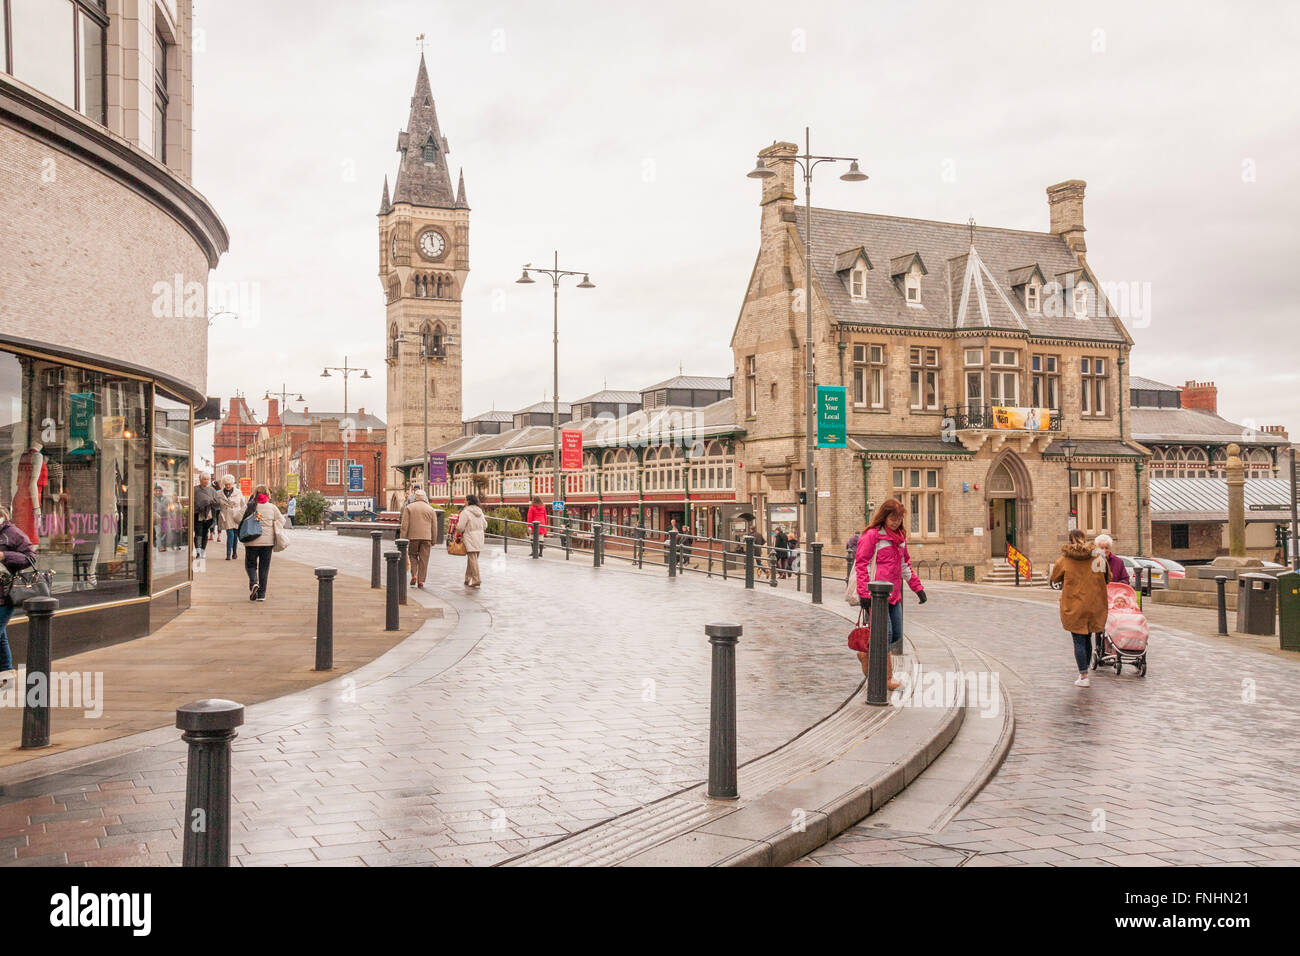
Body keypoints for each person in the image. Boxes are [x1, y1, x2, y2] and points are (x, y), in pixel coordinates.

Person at [855, 498, 928, 691]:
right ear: (884, 516)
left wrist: (917, 588)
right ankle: (886, 678)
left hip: (894, 594)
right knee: (884, 634)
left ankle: (866, 654)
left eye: (899, 518)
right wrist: (864, 593)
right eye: (892, 517)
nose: (896, 521)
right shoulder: (872, 536)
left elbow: (905, 565)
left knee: (895, 633)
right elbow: (861, 564)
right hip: (876, 596)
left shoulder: (899, 537)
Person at [1050, 529, 1109, 688]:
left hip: (1074, 604)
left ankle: (1083, 675)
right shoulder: (1097, 556)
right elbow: (1107, 576)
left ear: (1070, 541)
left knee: (1078, 640)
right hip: (1093, 603)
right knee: (1087, 637)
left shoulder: (1065, 559)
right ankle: (1085, 670)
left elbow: (1054, 577)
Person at [0, 505, 38, 688]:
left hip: (5, 595)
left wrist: (4, 555)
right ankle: (6, 676)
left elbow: (30, 557)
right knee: (1, 636)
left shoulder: (12, 533)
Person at [240, 484, 285, 602]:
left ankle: (254, 582)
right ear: (267, 494)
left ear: (255, 494)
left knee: (250, 565)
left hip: (251, 540)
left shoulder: (249, 506)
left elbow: (236, 517)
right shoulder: (272, 507)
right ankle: (262, 595)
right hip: (267, 543)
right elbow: (282, 520)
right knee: (264, 568)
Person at [400, 488, 437, 589]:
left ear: (415, 498)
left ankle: (414, 575)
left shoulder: (409, 507)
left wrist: (402, 539)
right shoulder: (430, 509)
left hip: (413, 537)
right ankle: (421, 580)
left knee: (412, 555)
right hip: (427, 538)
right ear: (425, 498)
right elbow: (434, 527)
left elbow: (404, 525)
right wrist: (433, 539)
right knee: (424, 559)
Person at [457, 494, 487, 588]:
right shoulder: (480, 512)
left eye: (465, 500)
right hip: (479, 537)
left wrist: (457, 530)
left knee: (472, 559)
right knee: (473, 558)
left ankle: (476, 580)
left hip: (469, 536)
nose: (464, 502)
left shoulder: (465, 512)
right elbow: (485, 525)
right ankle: (467, 578)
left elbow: (460, 527)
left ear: (469, 501)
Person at [217, 475, 246, 560]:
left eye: (229, 484)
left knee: (235, 535)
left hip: (236, 516)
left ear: (232, 483)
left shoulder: (238, 492)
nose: (228, 486)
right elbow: (216, 504)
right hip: (226, 516)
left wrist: (242, 515)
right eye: (226, 484)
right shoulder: (219, 493)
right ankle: (228, 554)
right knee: (230, 534)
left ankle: (235, 552)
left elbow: (243, 505)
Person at [193, 474, 220, 561]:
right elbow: (192, 501)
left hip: (209, 516)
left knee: (205, 534)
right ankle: (198, 552)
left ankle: (203, 551)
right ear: (200, 480)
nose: (206, 481)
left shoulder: (212, 490)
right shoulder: (195, 489)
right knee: (198, 534)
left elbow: (217, 502)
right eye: (204, 479)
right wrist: (200, 504)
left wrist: (211, 502)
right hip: (198, 515)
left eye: (207, 479)